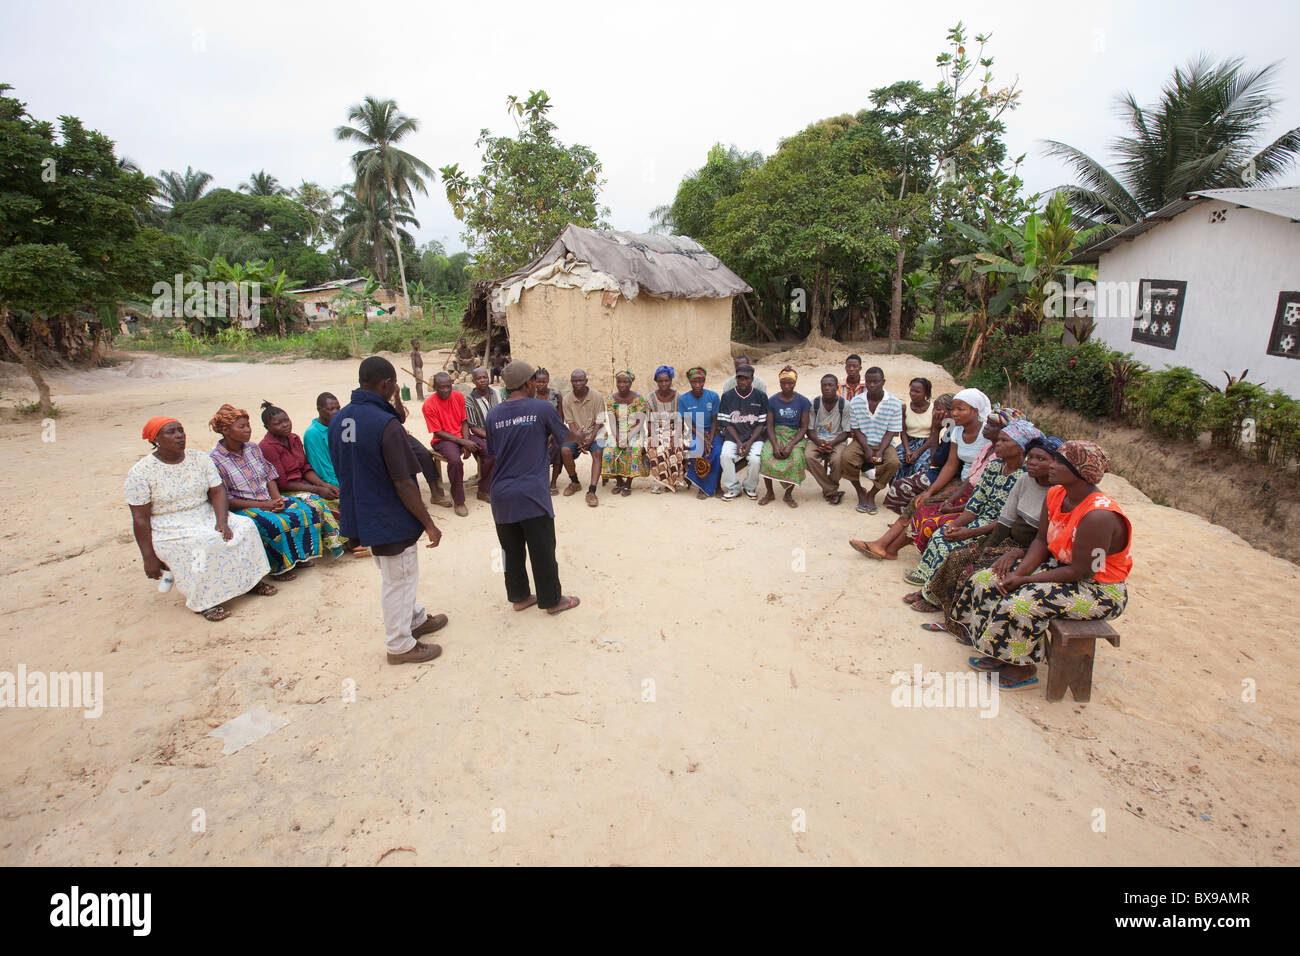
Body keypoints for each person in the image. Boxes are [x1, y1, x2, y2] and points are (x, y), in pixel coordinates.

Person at [950, 440, 1132, 691]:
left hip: (1098, 589)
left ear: (1080, 472)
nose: (1052, 466)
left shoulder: (1098, 516)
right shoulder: (1057, 494)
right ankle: (997, 651)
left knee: (1022, 602)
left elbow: (1082, 571)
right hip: (1062, 569)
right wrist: (1020, 571)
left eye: (1059, 462)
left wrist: (1025, 580)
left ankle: (1023, 667)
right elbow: (1041, 540)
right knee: (986, 581)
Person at [329, 356, 447, 665]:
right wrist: (429, 523)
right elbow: (404, 483)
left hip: (362, 511)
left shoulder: (340, 418)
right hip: (389, 516)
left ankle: (416, 619)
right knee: (399, 579)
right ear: (387, 384)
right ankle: (399, 645)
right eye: (393, 385)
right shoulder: (386, 424)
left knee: (395, 574)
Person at [126, 417, 274, 622]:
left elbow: (217, 492)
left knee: (245, 527)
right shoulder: (141, 473)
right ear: (156, 439)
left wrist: (222, 520)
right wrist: (148, 557)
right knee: (199, 545)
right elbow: (140, 518)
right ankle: (205, 600)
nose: (179, 435)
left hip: (203, 513)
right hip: (169, 524)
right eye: (171, 432)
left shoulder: (200, 459)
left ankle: (249, 582)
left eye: (180, 430)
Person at [920, 435, 1064, 631]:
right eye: (1031, 457)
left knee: (975, 572)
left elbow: (1046, 541)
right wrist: (986, 547)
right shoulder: (1024, 481)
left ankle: (964, 628)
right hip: (1008, 541)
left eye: (1042, 459)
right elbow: (1006, 521)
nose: (1032, 463)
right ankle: (948, 614)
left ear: (1056, 464)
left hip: (1030, 552)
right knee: (959, 557)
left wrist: (1015, 553)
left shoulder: (1057, 493)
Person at [896, 418, 1038, 611]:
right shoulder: (994, 466)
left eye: (1005, 441)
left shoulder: (1025, 477)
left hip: (998, 530)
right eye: (1000, 439)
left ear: (1021, 448)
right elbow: (975, 504)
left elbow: (1007, 521)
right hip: (980, 520)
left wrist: (968, 532)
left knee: (952, 549)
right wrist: (957, 525)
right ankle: (927, 588)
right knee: (941, 535)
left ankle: (934, 597)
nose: (998, 443)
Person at [485, 360, 580, 615]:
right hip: (531, 494)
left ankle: (520, 597)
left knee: (510, 550)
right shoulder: (541, 408)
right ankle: (552, 601)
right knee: (542, 549)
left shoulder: (493, 414)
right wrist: (583, 436)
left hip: (501, 494)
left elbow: (493, 451)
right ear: (528, 383)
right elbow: (566, 438)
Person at [208, 404, 333, 577]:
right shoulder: (215, 459)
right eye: (241, 427)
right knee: (273, 523)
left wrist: (276, 499)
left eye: (248, 425)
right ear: (226, 430)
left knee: (306, 511)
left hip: (268, 498)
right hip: (245, 505)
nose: (247, 430)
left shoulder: (252, 448)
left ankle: (298, 557)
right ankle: (278, 567)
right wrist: (265, 504)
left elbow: (269, 475)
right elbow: (226, 498)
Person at [422, 371, 493, 516]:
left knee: (489, 450)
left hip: (462, 435)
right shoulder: (428, 405)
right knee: (455, 461)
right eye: (442, 387)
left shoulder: (458, 396)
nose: (446, 390)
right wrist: (462, 442)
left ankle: (484, 490)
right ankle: (459, 501)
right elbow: (438, 432)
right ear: (434, 387)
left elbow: (464, 421)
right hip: (443, 440)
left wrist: (466, 440)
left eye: (449, 386)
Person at [842, 366, 903, 515]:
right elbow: (856, 429)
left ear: (883, 381)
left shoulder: (894, 402)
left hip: (884, 443)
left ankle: (872, 494)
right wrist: (867, 449)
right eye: (869, 382)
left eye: (876, 381)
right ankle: (859, 491)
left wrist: (881, 451)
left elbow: (891, 431)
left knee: (894, 462)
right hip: (862, 442)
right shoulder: (856, 402)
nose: (872, 385)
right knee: (845, 458)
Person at [882, 393, 954, 513]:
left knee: (913, 474)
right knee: (898, 462)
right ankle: (905, 518)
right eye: (934, 409)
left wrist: (935, 430)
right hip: (915, 448)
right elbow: (903, 432)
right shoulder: (950, 429)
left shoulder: (952, 432)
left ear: (950, 412)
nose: (934, 413)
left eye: (938, 409)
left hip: (942, 471)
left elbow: (935, 461)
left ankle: (907, 519)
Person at [758, 365, 810, 508]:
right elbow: (769, 425)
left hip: (795, 436)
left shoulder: (803, 402)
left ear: (795, 383)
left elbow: (804, 427)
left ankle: (788, 494)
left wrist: (790, 445)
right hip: (777, 434)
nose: (787, 385)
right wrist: (775, 445)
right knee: (766, 456)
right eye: (783, 382)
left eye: (790, 382)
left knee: (797, 458)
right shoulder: (773, 401)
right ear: (779, 383)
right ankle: (770, 493)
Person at [392, 389, 451, 509]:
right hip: (387, 437)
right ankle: (413, 499)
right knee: (404, 461)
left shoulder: (392, 395)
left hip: (401, 433)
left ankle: (434, 494)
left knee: (424, 455)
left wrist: (397, 396)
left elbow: (401, 418)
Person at [718, 364, 768, 501]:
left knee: (755, 459)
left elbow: (761, 424)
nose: (742, 382)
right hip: (734, 437)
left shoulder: (761, 397)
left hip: (755, 438)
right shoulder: (727, 396)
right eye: (739, 378)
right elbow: (726, 423)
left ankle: (749, 487)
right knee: (725, 456)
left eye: (746, 378)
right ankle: (733, 488)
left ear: (752, 379)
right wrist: (739, 442)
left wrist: (750, 442)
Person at [559, 368, 607, 506]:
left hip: (597, 432)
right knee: (565, 450)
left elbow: (599, 421)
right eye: (574, 381)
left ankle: (591, 491)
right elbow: (570, 422)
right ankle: (575, 482)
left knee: (597, 452)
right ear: (571, 382)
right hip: (577, 433)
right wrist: (579, 439)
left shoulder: (596, 396)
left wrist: (591, 439)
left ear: (586, 381)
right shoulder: (567, 399)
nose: (578, 383)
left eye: (580, 380)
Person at [601, 370, 649, 497]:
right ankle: (619, 481)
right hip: (617, 431)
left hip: (635, 431)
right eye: (619, 382)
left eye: (625, 382)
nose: (622, 385)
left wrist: (627, 438)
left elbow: (640, 422)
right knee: (609, 451)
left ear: (631, 383)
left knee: (634, 449)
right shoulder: (611, 399)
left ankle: (628, 483)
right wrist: (618, 438)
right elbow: (611, 422)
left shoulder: (639, 399)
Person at [806, 374, 851, 505]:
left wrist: (831, 443)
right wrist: (819, 442)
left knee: (838, 460)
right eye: (824, 385)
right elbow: (810, 429)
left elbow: (846, 432)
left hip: (837, 440)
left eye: (830, 385)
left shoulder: (845, 405)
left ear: (836, 387)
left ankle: (829, 489)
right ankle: (831, 490)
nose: (827, 388)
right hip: (816, 439)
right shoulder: (814, 403)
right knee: (808, 456)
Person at [677, 366, 722, 500]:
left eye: (701, 381)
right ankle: (703, 487)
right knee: (697, 449)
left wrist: (710, 438)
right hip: (696, 431)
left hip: (713, 431)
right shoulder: (684, 399)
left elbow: (715, 420)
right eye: (694, 382)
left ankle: (717, 485)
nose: (698, 385)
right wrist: (703, 439)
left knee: (717, 451)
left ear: (704, 381)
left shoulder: (713, 396)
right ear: (690, 382)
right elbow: (689, 423)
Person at [646, 365, 687, 494]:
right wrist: (653, 436)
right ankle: (660, 481)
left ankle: (673, 480)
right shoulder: (650, 398)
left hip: (675, 428)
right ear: (656, 381)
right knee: (656, 448)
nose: (663, 383)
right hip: (656, 429)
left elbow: (681, 420)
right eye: (660, 381)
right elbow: (649, 421)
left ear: (671, 380)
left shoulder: (678, 397)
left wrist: (676, 436)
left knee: (676, 446)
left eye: (666, 380)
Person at [531, 368, 567, 494]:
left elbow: (560, 418)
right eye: (538, 382)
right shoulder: (531, 397)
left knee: (557, 448)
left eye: (544, 382)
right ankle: (539, 481)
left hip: (554, 432)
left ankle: (553, 482)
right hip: (535, 432)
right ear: (534, 382)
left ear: (548, 381)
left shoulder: (556, 395)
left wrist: (551, 437)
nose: (541, 385)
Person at [896, 378, 936, 478]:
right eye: (911, 390)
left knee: (920, 466)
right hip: (908, 442)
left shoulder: (933, 409)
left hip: (926, 444)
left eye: (917, 391)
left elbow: (933, 435)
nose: (913, 394)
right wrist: (908, 450)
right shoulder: (905, 408)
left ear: (926, 393)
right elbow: (903, 432)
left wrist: (917, 453)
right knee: (895, 462)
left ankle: (916, 492)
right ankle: (896, 491)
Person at [304, 392, 340, 487]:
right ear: (319, 409)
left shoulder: (340, 426)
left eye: (338, 408)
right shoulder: (312, 433)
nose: (336, 412)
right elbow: (322, 470)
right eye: (331, 409)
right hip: (332, 481)